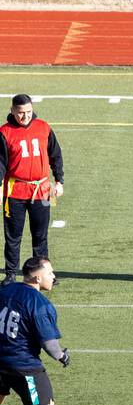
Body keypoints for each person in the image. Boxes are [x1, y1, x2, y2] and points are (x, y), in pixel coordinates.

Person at [0, 257, 70, 405]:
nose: (53, 277)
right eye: (50, 273)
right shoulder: (39, 304)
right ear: (38, 277)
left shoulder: (5, 290)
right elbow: (50, 344)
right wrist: (62, 356)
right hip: (24, 367)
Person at [0, 94, 65, 286]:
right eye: (20, 113)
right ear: (12, 111)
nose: (25, 117)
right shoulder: (4, 132)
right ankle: (11, 274)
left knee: (41, 234)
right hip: (15, 191)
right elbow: (0, 163)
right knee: (13, 236)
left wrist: (59, 181)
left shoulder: (43, 127)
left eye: (28, 112)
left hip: (43, 189)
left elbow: (55, 154)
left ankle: (44, 274)